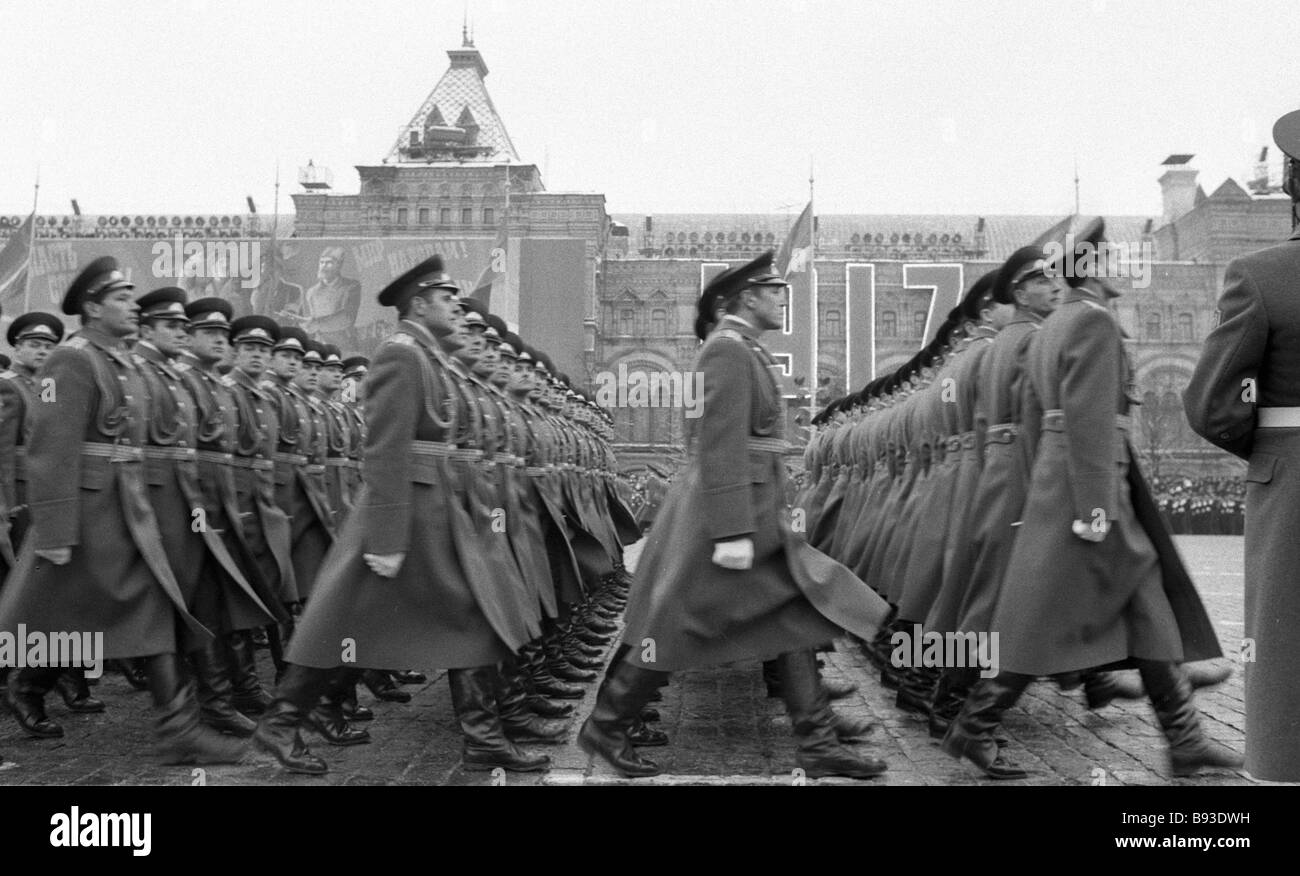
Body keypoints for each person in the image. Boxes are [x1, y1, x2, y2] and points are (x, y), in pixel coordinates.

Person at [944, 222, 1243, 780]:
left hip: (1072, 484)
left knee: (1144, 605)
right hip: (1094, 486)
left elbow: (1037, 422)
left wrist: (1053, 492)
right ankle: (975, 724)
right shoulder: (1094, 324)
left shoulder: (1056, 325)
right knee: (1045, 617)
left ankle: (1185, 739)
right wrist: (1092, 508)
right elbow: (1085, 420)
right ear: (1089, 270)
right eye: (1112, 260)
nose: (1123, 268)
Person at [580, 250, 892, 780]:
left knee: (790, 619)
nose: (781, 300)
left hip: (749, 505)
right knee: (680, 620)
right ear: (746, 298)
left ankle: (816, 743)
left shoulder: (741, 348)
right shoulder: (726, 351)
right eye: (774, 292)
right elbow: (719, 441)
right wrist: (731, 530)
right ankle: (608, 725)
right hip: (723, 512)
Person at [255, 255, 550, 775]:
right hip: (402, 511)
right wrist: (387, 537)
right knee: (337, 620)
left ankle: (483, 737)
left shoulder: (430, 357)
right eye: (446, 300)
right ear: (419, 303)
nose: (456, 310)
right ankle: (280, 726)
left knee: (476, 616)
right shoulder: (401, 355)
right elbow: (385, 449)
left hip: (437, 510)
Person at [0, 257, 245, 764]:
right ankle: (174, 726)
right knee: (59, 616)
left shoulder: (123, 361)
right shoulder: (73, 359)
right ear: (91, 307)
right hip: (90, 512)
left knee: (142, 610)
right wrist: (55, 531)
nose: (133, 306)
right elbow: (50, 448)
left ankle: (179, 727)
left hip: (125, 506)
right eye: (120, 298)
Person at [1182, 107, 1300, 782]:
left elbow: (1207, 403)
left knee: (1284, 640)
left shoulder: (1261, 275)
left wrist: (1270, 446)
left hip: (1290, 477)